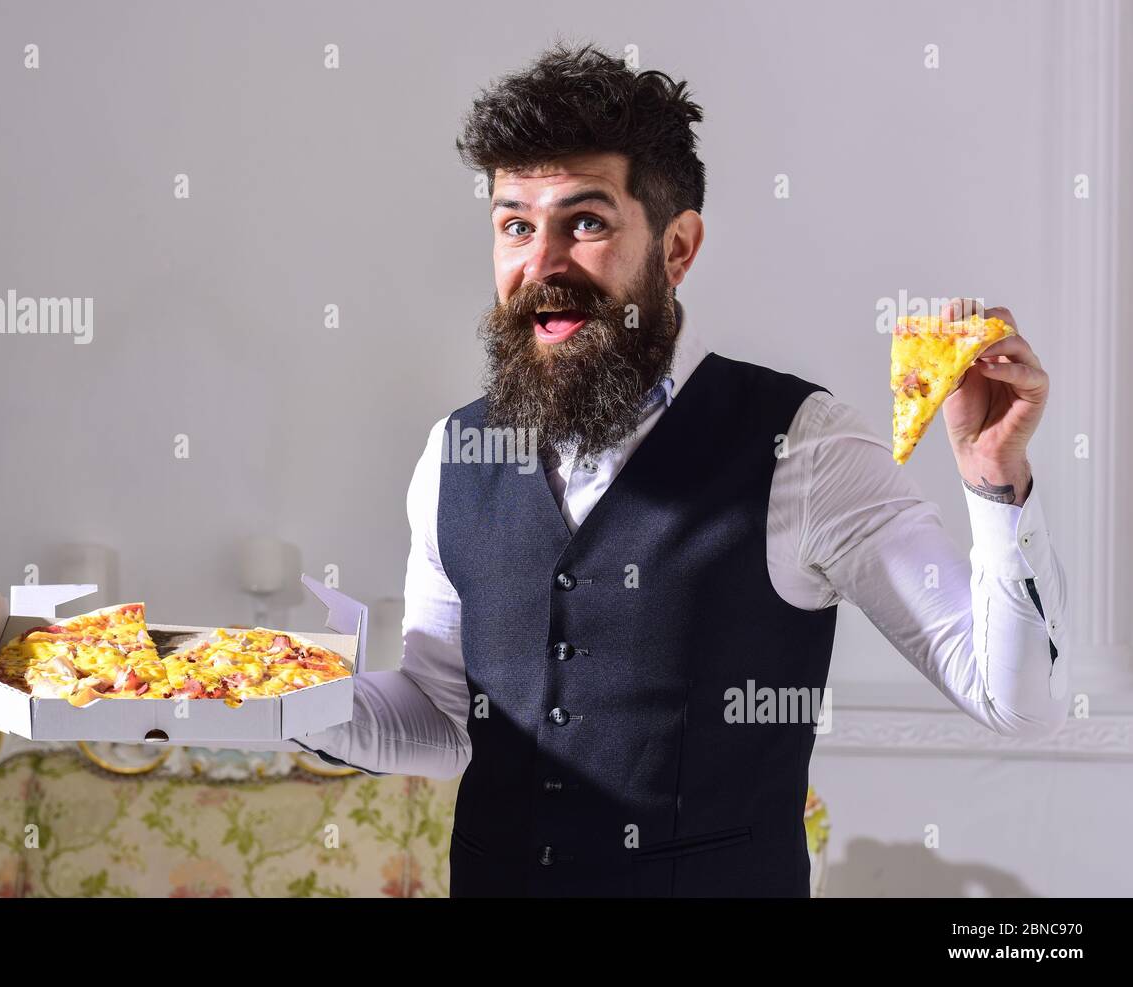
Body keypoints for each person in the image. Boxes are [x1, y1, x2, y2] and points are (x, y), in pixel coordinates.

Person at [297, 42, 1068, 897]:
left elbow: (1016, 702)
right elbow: (442, 720)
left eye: (585, 223)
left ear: (678, 247)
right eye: (516, 223)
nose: (542, 265)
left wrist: (993, 480)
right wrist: (279, 701)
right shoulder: (454, 452)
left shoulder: (805, 447)